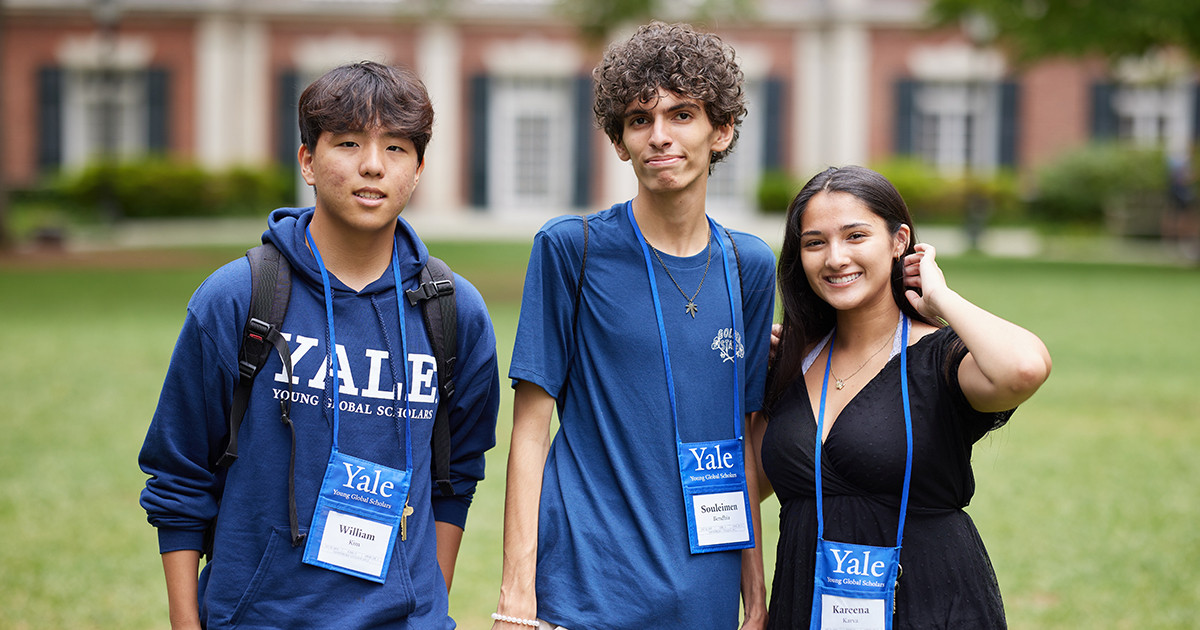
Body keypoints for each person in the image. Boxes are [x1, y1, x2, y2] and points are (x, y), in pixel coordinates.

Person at [138, 61, 500, 629]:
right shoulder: (238, 297)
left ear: (420, 167)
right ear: (307, 160)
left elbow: (456, 477)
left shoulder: (454, 312)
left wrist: (427, 603)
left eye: (398, 148)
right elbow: (179, 478)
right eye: (349, 143)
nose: (373, 165)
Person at [492, 21, 775, 630]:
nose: (660, 137)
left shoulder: (749, 265)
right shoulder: (572, 249)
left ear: (720, 131)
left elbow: (742, 443)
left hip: (706, 589)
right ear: (620, 142)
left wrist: (755, 595)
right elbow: (530, 434)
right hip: (586, 589)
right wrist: (516, 597)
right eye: (640, 120)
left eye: (682, 115)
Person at [754, 165, 1051, 629]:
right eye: (815, 242)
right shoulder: (791, 361)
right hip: (806, 607)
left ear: (898, 242)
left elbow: (1024, 368)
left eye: (856, 236)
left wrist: (940, 297)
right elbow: (745, 489)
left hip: (931, 606)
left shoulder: (941, 358)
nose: (835, 258)